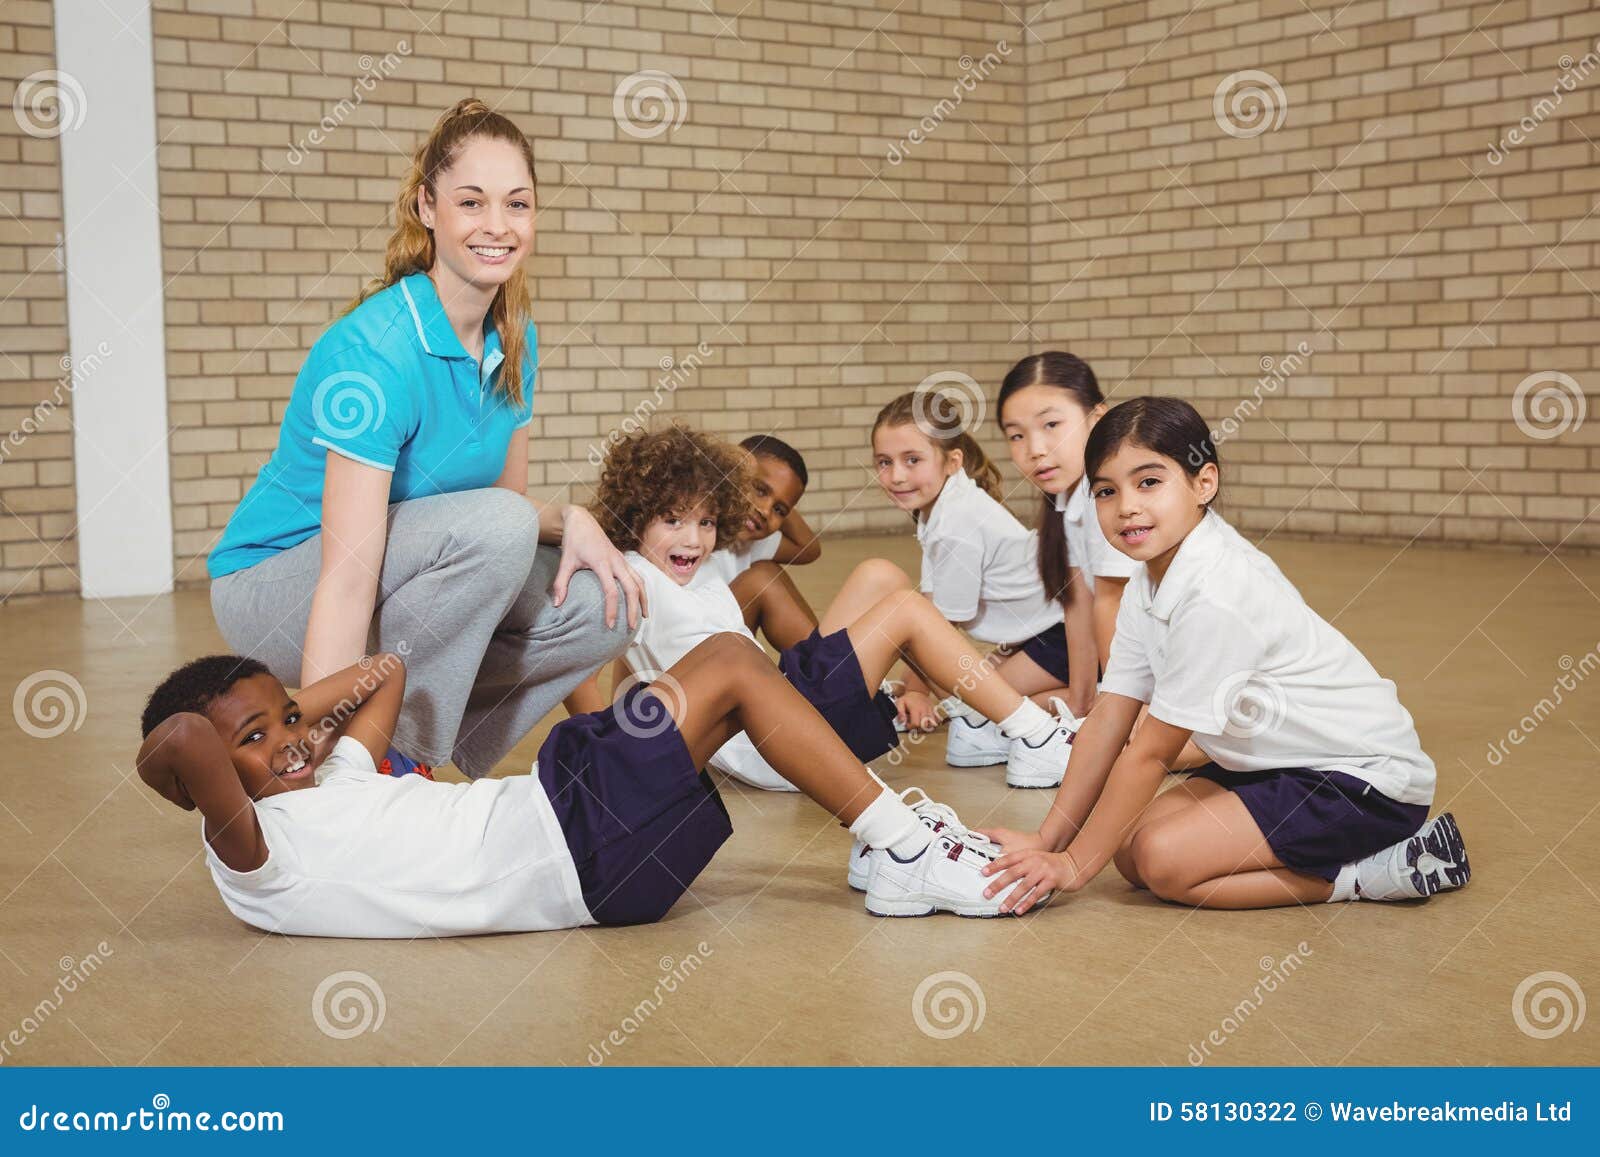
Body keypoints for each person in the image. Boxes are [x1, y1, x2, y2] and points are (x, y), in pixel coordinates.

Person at [206, 98, 643, 782]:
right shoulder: (374, 351)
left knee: (606, 602)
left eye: (518, 204)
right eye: (471, 203)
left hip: (400, 572)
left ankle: (408, 745)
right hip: (277, 584)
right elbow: (347, 576)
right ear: (427, 208)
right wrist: (322, 753)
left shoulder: (515, 340)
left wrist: (572, 519)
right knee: (499, 533)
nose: (497, 226)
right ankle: (367, 761)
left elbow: (501, 522)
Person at [135, 638, 1032, 934]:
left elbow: (386, 671)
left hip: (576, 827)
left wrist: (291, 719)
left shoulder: (332, 770)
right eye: (253, 742)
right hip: (575, 836)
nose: (290, 743)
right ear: (203, 785)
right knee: (726, 665)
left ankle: (887, 847)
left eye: (291, 719)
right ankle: (905, 846)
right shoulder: (253, 855)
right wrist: (223, 759)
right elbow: (179, 737)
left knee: (720, 700)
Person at [979, 397, 1471, 912]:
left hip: (1361, 781)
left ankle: (1374, 873)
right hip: (1270, 763)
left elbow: (1150, 752)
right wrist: (1049, 839)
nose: (1126, 505)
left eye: (1149, 482)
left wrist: (1075, 866)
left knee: (1164, 863)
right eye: (1106, 490)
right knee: (1127, 853)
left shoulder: (1217, 591)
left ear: (1203, 483)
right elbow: (1109, 718)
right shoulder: (1149, 579)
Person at [589, 425, 1075, 793]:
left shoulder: (704, 564)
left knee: (881, 575)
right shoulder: (631, 576)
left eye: (707, 521)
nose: (693, 538)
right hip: (777, 739)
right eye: (673, 520)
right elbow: (595, 665)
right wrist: (614, 763)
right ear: (634, 515)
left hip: (782, 697)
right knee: (907, 610)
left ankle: (960, 707)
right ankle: (1033, 735)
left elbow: (637, 669)